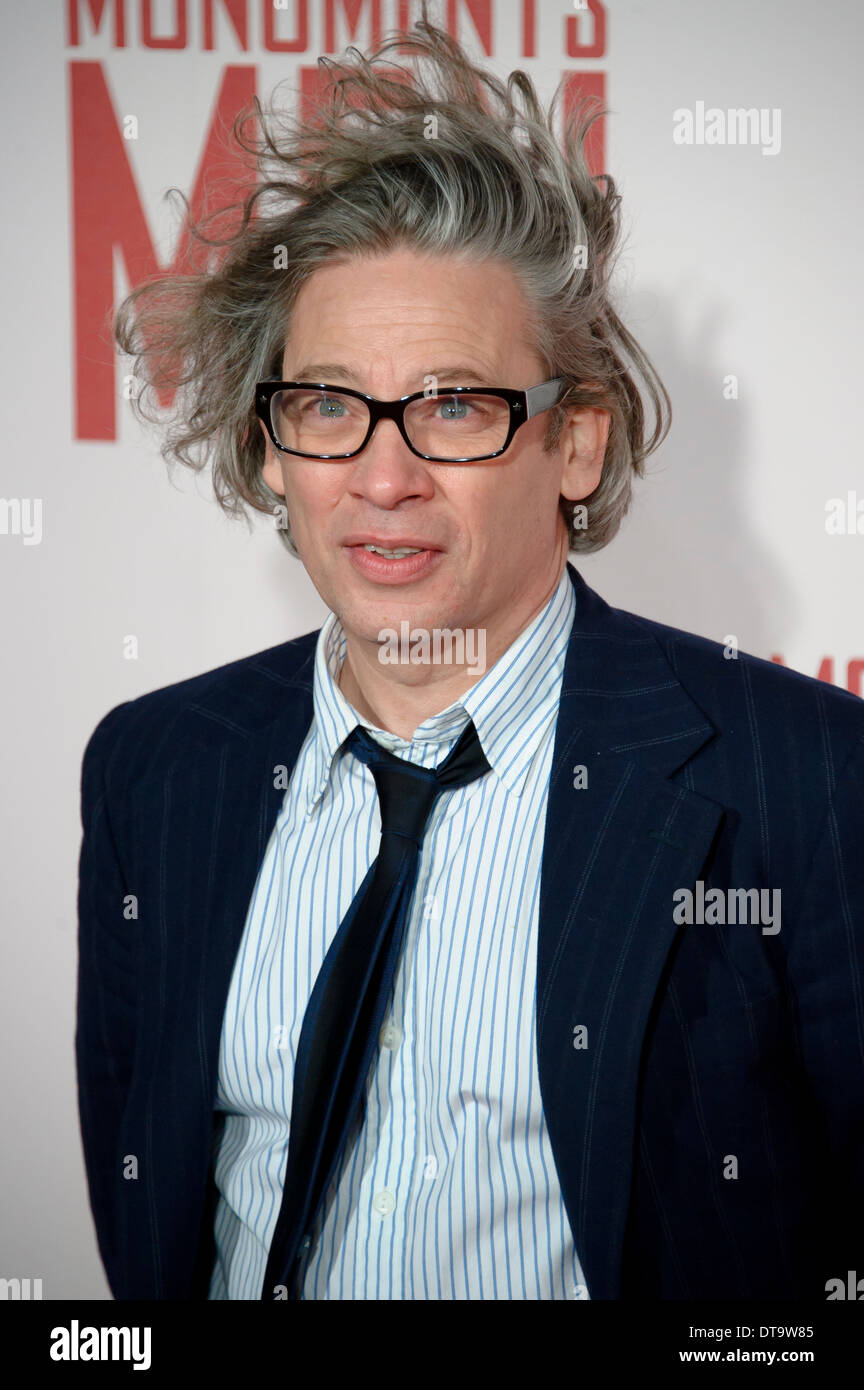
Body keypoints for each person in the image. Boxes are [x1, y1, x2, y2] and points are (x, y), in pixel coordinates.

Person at [76, 7, 864, 1302]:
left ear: (577, 441)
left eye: (454, 405)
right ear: (271, 445)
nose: (382, 477)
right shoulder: (155, 769)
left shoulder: (809, 782)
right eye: (328, 405)